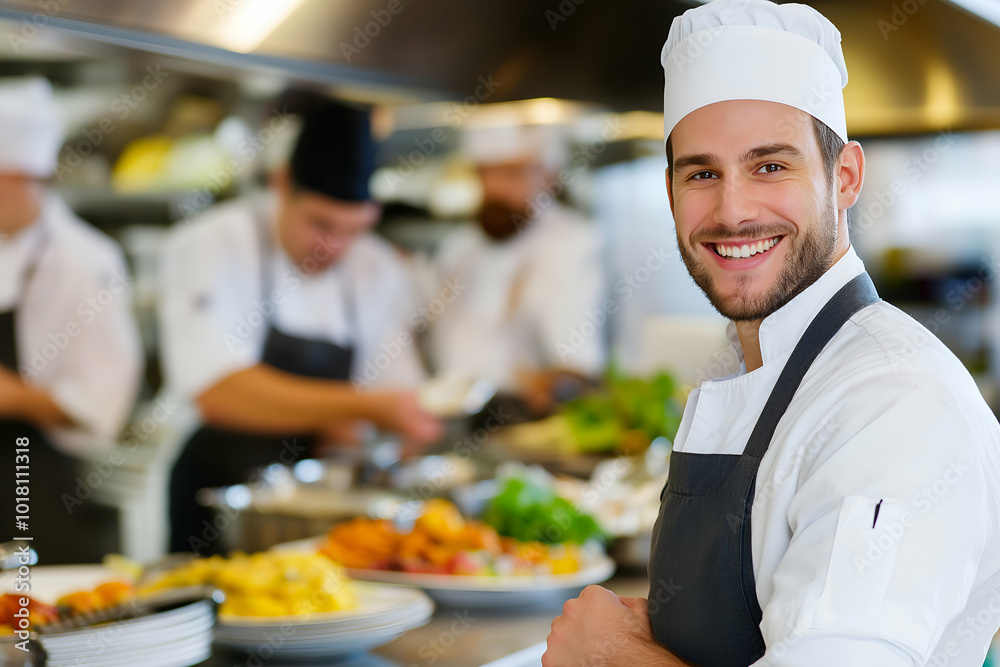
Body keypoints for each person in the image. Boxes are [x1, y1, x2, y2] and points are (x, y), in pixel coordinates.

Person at [544, 1, 1000, 666]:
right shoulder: (742, 368)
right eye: (702, 172)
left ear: (844, 178)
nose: (733, 211)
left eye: (770, 166)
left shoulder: (896, 403)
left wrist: (611, 652)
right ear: (671, 192)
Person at [160, 101, 443, 554]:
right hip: (221, 504)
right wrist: (361, 406)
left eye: (353, 230)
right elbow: (219, 391)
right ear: (281, 184)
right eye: (320, 224)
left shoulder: (377, 266)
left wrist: (394, 424)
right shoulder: (213, 243)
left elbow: (398, 393)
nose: (335, 246)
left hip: (320, 510)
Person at [0, 77, 144, 564]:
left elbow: (103, 404)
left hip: (31, 483)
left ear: (21, 176)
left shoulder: (85, 260)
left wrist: (16, 397)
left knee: (29, 623)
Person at [424, 118, 607, 415]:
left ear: (549, 175)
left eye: (512, 173)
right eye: (485, 174)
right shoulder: (458, 247)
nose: (495, 188)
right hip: (447, 416)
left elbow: (578, 367)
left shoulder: (573, 244)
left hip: (523, 419)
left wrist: (559, 384)